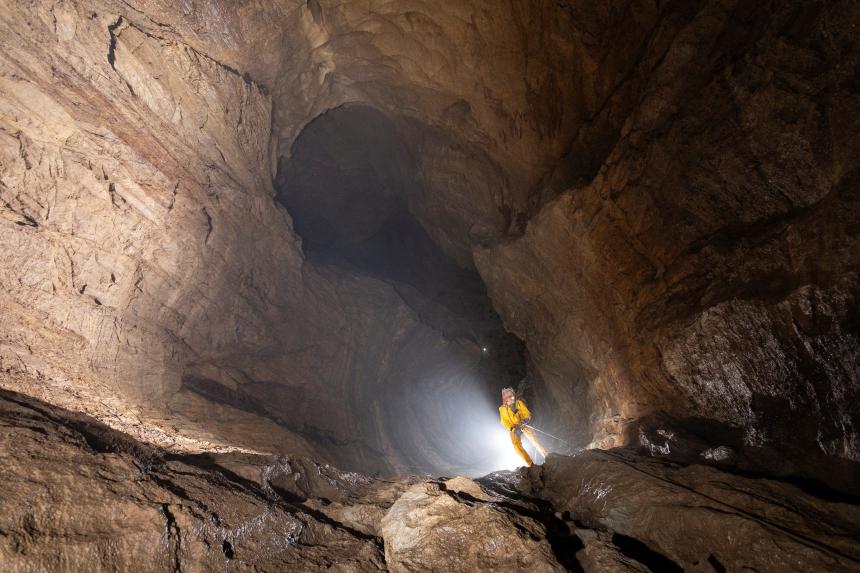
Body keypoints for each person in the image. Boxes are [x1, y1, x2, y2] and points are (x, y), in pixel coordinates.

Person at [498, 387, 548, 466]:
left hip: (522, 424)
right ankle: (530, 464)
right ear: (503, 397)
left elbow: (527, 413)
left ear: (513, 394)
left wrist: (525, 420)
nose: (508, 397)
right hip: (513, 428)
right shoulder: (502, 409)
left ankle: (547, 456)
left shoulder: (518, 403)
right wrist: (513, 429)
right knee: (516, 445)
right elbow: (504, 422)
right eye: (505, 395)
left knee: (534, 439)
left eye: (509, 394)